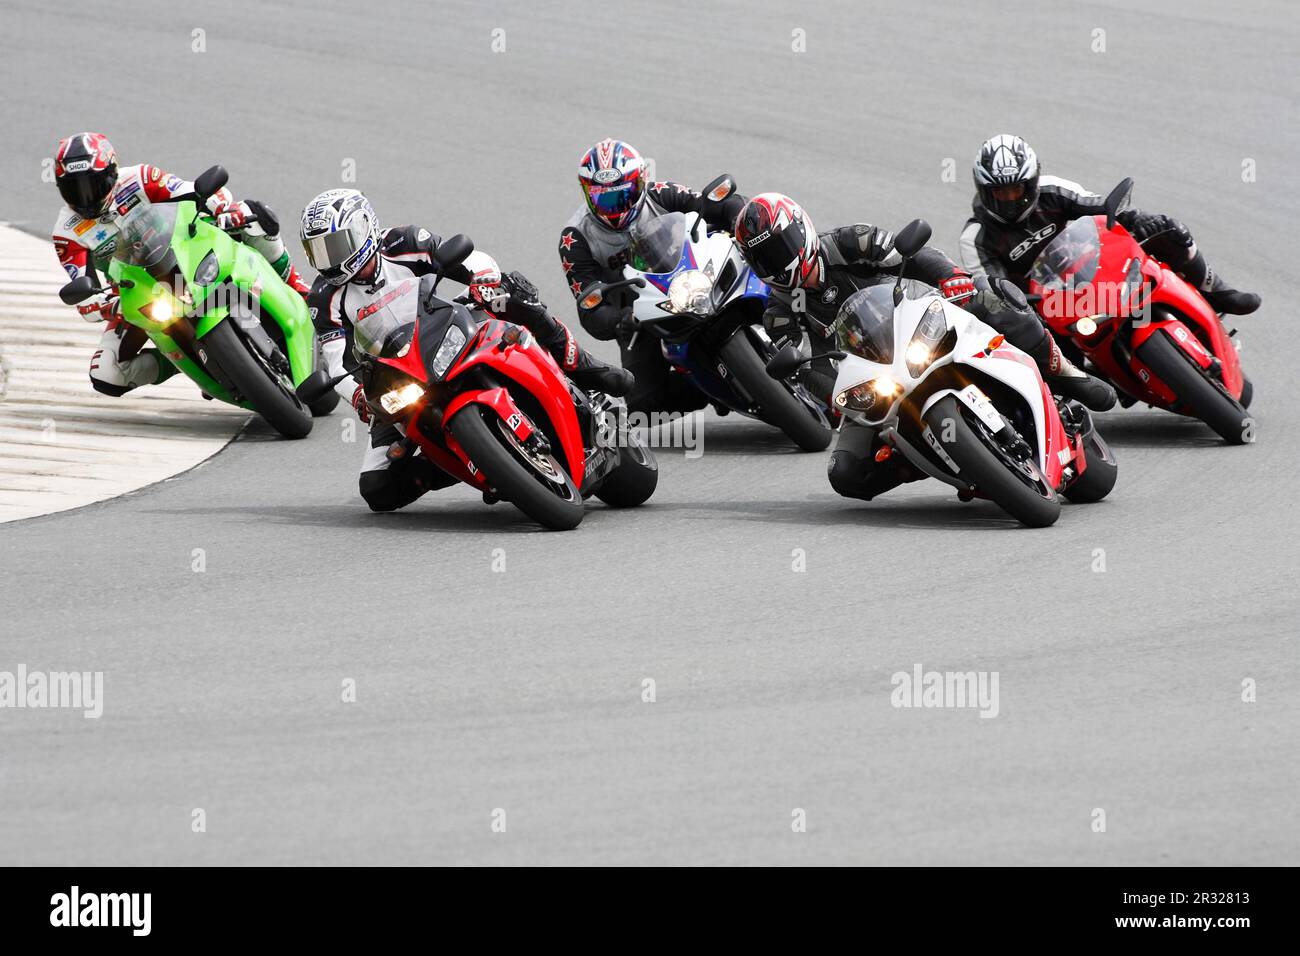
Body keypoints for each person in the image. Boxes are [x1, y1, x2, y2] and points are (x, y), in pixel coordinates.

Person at [729, 191, 1117, 503]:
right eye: (764, 258)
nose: (777, 263)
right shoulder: (778, 315)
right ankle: (941, 461)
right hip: (872, 379)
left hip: (924, 322)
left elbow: (912, 254)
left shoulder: (851, 241)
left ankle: (1063, 370)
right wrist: (840, 396)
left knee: (994, 296)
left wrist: (951, 277)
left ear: (802, 230)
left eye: (780, 248)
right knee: (846, 474)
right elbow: (806, 368)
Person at [301, 188, 631, 512]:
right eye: (318, 251)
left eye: (334, 245)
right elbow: (336, 363)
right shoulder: (324, 297)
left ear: (363, 227)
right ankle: (479, 462)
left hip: (444, 328)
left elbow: (469, 258)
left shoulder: (401, 242)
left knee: (510, 292)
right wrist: (358, 395)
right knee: (376, 488)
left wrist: (482, 279)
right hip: (398, 377)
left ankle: (583, 367)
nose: (329, 260)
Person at [51, 131, 311, 396]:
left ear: (112, 172)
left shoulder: (139, 178)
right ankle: (180, 363)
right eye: (74, 189)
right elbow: (84, 294)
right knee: (106, 373)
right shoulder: (67, 232)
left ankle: (298, 288)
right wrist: (107, 305)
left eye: (93, 185)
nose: (85, 197)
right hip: (139, 292)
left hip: (186, 251)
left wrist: (224, 209)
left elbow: (194, 191)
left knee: (253, 214)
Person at [959, 133, 1260, 315]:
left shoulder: (1053, 190)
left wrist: (1137, 219)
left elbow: (1102, 207)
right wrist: (1017, 303)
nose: (1010, 199)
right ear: (984, 190)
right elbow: (993, 290)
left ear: (1032, 181)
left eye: (1016, 189)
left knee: (1168, 228)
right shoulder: (975, 237)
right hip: (1047, 307)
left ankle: (1215, 290)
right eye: (1000, 192)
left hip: (1092, 269)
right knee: (1025, 335)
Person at [557, 138, 746, 415]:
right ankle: (711, 388)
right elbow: (588, 304)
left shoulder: (661, 193)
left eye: (622, 195)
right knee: (642, 405)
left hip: (695, 275)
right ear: (587, 193)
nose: (615, 208)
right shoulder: (576, 238)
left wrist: (737, 218)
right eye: (603, 199)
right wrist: (618, 321)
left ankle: (793, 317)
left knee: (756, 249)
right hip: (642, 313)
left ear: (640, 182)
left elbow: (715, 206)